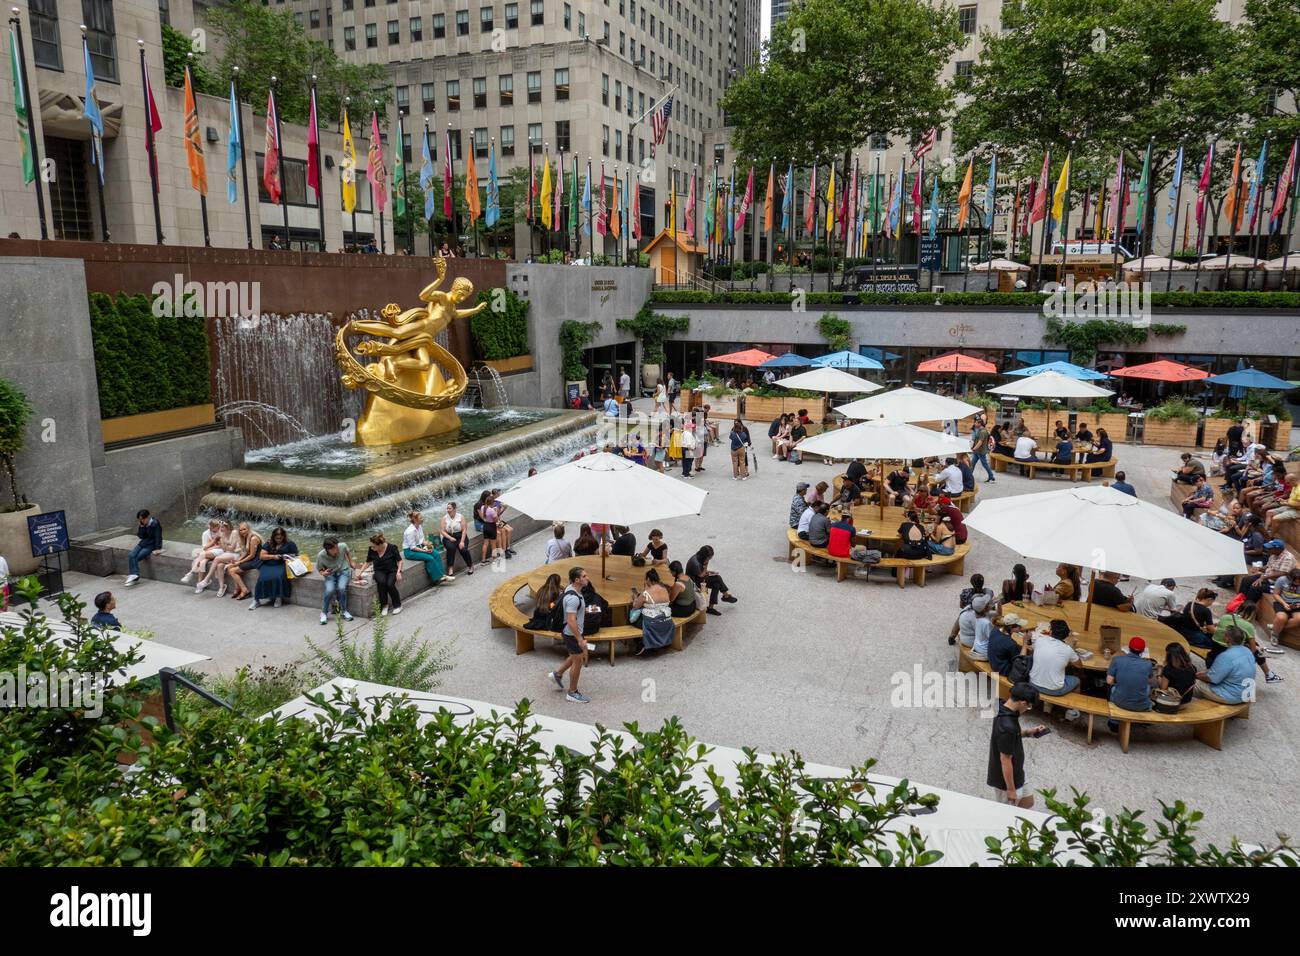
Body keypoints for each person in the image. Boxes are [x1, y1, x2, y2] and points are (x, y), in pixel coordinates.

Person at [987, 682, 1046, 809]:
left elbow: (1011, 736)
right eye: (1028, 707)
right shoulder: (1008, 727)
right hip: (1007, 781)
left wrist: (1028, 732)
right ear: (1023, 703)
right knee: (1005, 813)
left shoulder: (1002, 707)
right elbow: (1005, 760)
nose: (1027, 710)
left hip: (1018, 773)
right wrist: (1011, 790)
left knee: (1028, 802)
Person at [548, 566, 592, 702]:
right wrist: (579, 639)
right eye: (584, 576)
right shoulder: (573, 599)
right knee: (578, 660)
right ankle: (572, 692)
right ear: (577, 580)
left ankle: (557, 674)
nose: (587, 578)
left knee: (575, 656)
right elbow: (571, 620)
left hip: (573, 632)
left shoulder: (571, 589)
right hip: (572, 634)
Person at [1195, 626, 1257, 703]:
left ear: (1227, 639)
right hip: (1247, 693)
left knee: (1192, 683)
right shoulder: (1248, 651)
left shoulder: (1226, 656)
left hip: (1231, 696)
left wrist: (1196, 676)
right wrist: (1205, 672)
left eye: (1225, 635)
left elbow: (1212, 679)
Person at [1106, 637, 1155, 730]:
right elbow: (1149, 679)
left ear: (1128, 648)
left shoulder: (1117, 660)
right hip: (1141, 705)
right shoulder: (1148, 664)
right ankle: (1145, 718)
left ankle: (1113, 722)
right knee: (1148, 687)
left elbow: (1109, 681)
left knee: (1112, 688)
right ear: (1143, 651)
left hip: (1120, 702)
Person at [1029, 618, 1081, 696]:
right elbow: (1079, 665)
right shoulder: (1067, 649)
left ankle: (1048, 706)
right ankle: (1074, 706)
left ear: (1051, 632)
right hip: (1054, 689)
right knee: (1077, 680)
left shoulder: (1040, 640)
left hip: (1033, 682)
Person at [250, 526, 298, 610]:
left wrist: (286, 556)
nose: (278, 540)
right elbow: (262, 556)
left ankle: (278, 597)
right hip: (269, 563)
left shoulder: (290, 543)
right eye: (276, 538)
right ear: (273, 537)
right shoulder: (269, 543)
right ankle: (256, 600)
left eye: (280, 538)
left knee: (278, 576)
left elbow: (296, 555)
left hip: (282, 564)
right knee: (262, 578)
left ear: (284, 536)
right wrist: (273, 556)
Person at [632, 568, 675, 655]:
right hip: (666, 619)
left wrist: (635, 598)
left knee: (631, 618)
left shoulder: (646, 593)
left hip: (652, 622)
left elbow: (636, 606)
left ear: (648, 579)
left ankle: (640, 643)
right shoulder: (664, 589)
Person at [315, 536, 356, 624]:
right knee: (329, 590)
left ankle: (344, 611)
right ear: (328, 549)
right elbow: (320, 570)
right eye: (334, 549)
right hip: (330, 574)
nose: (337, 550)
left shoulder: (342, 546)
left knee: (341, 588)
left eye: (337, 547)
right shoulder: (321, 556)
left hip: (343, 571)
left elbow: (347, 551)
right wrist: (324, 573)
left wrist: (351, 561)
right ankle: (324, 613)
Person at [685, 545, 737, 616]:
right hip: (693, 583)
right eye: (709, 558)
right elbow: (701, 574)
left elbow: (702, 572)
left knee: (716, 584)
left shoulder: (700, 557)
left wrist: (709, 572)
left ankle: (711, 607)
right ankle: (726, 596)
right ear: (705, 556)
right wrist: (706, 565)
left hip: (698, 577)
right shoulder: (695, 563)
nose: (710, 559)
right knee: (717, 578)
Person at [194, 519, 239, 594]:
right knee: (219, 565)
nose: (220, 529)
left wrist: (224, 545)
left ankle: (206, 580)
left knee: (217, 559)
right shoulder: (222, 534)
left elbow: (232, 548)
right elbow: (225, 548)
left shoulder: (234, 532)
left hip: (236, 554)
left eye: (222, 527)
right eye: (220, 527)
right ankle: (222, 587)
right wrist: (224, 544)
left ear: (228, 527)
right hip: (227, 554)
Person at [402, 511, 447, 584]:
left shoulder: (419, 526)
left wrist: (428, 544)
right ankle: (437, 578)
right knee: (429, 558)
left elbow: (422, 540)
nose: (423, 519)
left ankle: (442, 574)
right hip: (410, 552)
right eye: (421, 518)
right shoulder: (410, 531)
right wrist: (424, 551)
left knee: (436, 554)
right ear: (415, 520)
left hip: (419, 547)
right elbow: (412, 547)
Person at [366, 532, 404, 616]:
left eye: (374, 546)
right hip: (379, 570)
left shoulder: (392, 548)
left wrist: (398, 572)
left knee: (390, 584)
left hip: (392, 570)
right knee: (381, 582)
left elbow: (400, 560)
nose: (372, 548)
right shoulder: (372, 550)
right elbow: (368, 562)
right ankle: (384, 605)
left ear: (380, 545)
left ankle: (398, 605)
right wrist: (360, 573)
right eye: (371, 546)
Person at [223, 524, 262, 602]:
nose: (242, 531)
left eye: (244, 529)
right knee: (230, 566)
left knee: (232, 570)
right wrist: (238, 561)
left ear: (248, 529)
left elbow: (251, 555)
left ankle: (245, 590)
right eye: (240, 530)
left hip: (256, 560)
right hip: (251, 559)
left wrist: (239, 562)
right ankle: (237, 588)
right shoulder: (245, 537)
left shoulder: (253, 538)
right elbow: (245, 553)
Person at [124, 509, 163, 587]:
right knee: (131, 555)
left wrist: (158, 548)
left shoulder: (155, 523)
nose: (141, 521)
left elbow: (158, 536)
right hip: (143, 543)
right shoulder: (143, 524)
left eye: (142, 519)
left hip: (151, 545)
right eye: (140, 520)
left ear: (147, 517)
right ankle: (134, 575)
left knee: (137, 557)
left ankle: (134, 576)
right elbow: (141, 536)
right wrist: (142, 527)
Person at [182, 519, 225, 585]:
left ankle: (191, 572)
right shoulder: (205, 533)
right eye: (212, 527)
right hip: (209, 553)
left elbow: (222, 547)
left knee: (201, 554)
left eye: (217, 527)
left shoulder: (221, 532)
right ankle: (199, 583)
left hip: (219, 552)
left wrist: (210, 547)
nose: (216, 529)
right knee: (202, 562)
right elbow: (205, 547)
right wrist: (214, 541)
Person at [440, 503, 475, 576]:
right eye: (447, 508)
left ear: (455, 509)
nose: (448, 510)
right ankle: (450, 568)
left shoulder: (460, 517)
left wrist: (462, 541)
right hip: (448, 536)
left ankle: (470, 566)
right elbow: (442, 531)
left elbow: (464, 530)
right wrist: (450, 538)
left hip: (460, 536)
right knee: (451, 548)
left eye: (450, 508)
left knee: (463, 549)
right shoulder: (444, 518)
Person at [1270, 567, 1300, 639]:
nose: (1297, 583)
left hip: (1297, 604)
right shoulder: (1282, 579)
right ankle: (1275, 635)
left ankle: (1275, 627)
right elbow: (1275, 594)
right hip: (1281, 601)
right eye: (1295, 581)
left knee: (1299, 619)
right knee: (1281, 618)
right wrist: (1284, 604)